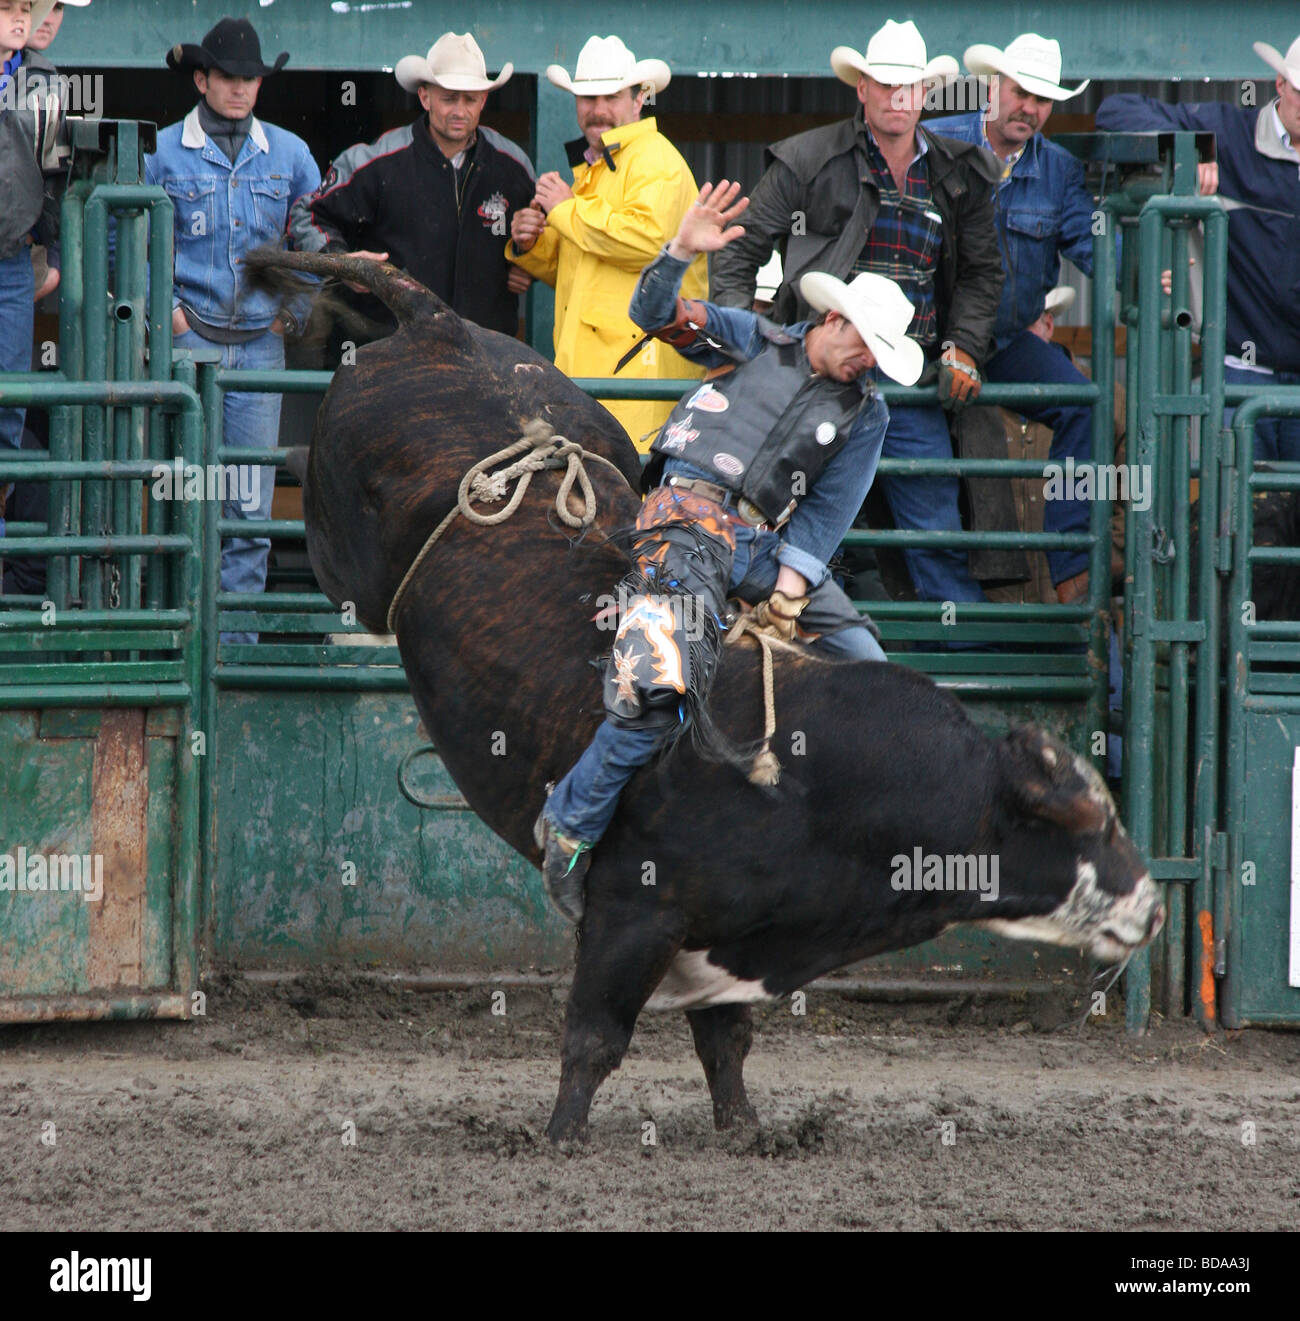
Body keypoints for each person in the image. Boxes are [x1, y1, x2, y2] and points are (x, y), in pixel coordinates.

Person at [533, 181, 922, 923]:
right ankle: (571, 824)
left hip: (760, 544)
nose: (868, 363)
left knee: (871, 669)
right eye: (867, 346)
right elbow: (652, 314)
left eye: (880, 355)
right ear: (834, 319)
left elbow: (833, 507)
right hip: (682, 521)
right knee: (661, 686)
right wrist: (678, 253)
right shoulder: (754, 340)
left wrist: (795, 580)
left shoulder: (866, 413)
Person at [711, 19, 1004, 608]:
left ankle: (953, 676)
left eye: (910, 86)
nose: (898, 97)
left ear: (926, 94)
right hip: (822, 375)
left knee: (933, 535)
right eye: (885, 84)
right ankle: (812, 662)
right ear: (861, 89)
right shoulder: (808, 159)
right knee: (808, 529)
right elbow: (740, 249)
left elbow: (981, 272)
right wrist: (744, 350)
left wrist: (964, 345)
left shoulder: (960, 172)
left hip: (911, 377)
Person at [145, 17, 320, 642]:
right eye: (229, 77)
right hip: (190, 339)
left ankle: (233, 659)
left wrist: (291, 314)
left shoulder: (291, 155)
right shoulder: (162, 153)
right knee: (189, 497)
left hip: (259, 343)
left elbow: (314, 239)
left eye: (251, 78)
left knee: (247, 506)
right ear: (202, 78)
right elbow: (128, 242)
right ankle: (186, 644)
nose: (242, 88)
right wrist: (163, 312)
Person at [928, 33, 1097, 603]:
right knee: (909, 445)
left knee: (1079, 401)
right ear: (993, 87)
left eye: (1044, 100)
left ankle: (1072, 566)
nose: (1030, 108)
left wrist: (1149, 268)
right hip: (929, 343)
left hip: (1002, 344)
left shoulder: (1061, 172)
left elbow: (1092, 245)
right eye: (1022, 92)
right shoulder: (936, 143)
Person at [1098, 35, 1300, 462]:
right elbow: (1116, 111)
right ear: (1280, 84)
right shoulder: (1230, 134)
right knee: (1240, 512)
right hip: (1243, 372)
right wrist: (1192, 150)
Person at [506, 34, 706, 450]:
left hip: (640, 381)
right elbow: (583, 267)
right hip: (596, 380)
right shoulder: (599, 166)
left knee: (630, 499)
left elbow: (647, 243)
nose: (597, 110)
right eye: (587, 97)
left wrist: (563, 209)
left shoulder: (654, 158)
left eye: (610, 96)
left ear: (638, 99)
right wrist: (532, 244)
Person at [290, 32, 536, 339]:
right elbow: (307, 216)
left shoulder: (514, 166)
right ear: (425, 97)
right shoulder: (374, 162)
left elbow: (541, 240)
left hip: (485, 361)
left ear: (484, 100)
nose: (460, 111)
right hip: (394, 358)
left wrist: (527, 261)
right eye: (448, 98)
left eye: (470, 99)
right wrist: (342, 263)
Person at [0, 0, 65, 541]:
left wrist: (54, 251)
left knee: (8, 410)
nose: (21, 18)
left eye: (28, 8)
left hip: (13, 260)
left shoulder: (44, 79)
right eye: (6, 7)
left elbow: (56, 173)